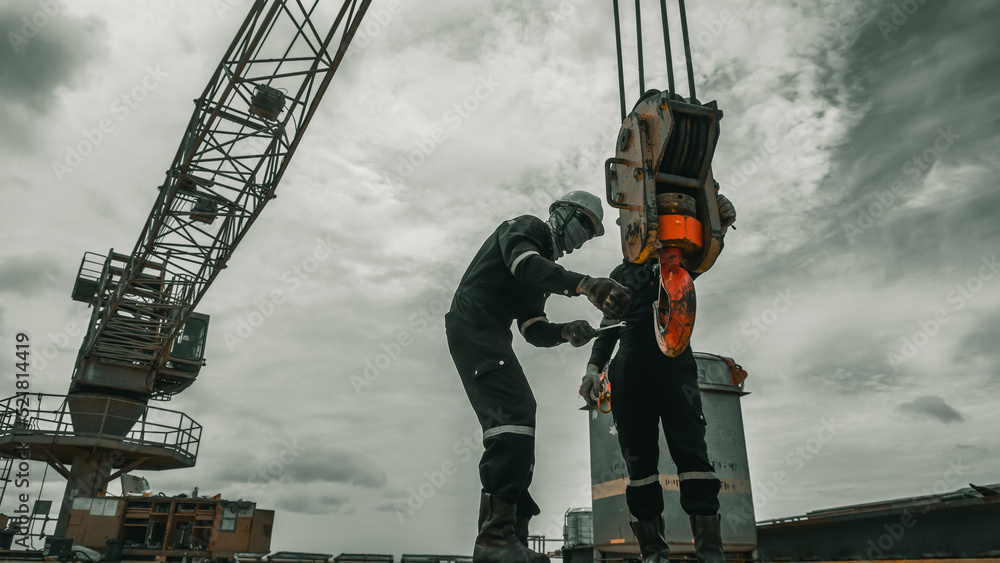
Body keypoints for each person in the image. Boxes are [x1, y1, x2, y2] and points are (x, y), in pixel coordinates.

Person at [446, 191, 632, 563]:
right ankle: (494, 540)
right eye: (582, 225)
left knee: (520, 413)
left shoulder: (541, 272)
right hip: (473, 322)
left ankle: (511, 535)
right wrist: (586, 285)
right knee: (514, 409)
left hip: (488, 331)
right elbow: (524, 266)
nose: (580, 238)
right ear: (561, 214)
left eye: (590, 234)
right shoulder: (525, 228)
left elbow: (532, 327)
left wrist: (565, 331)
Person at [580, 195, 737, 563]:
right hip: (628, 376)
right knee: (640, 467)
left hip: (675, 371)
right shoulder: (619, 276)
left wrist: (721, 224)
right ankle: (654, 554)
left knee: (693, 455)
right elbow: (608, 330)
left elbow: (706, 255)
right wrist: (592, 369)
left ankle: (710, 554)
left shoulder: (677, 261)